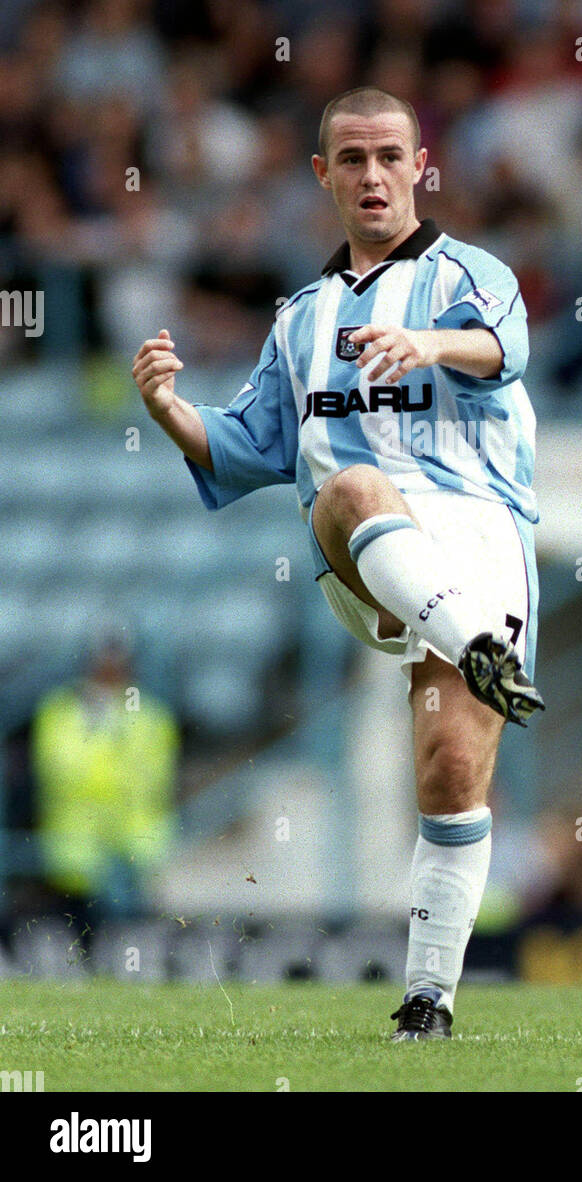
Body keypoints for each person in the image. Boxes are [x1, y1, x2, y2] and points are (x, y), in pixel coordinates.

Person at [132, 86, 543, 1041]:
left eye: (389, 156)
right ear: (323, 175)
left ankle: (426, 1002)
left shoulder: (470, 275)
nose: (372, 175)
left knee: (449, 768)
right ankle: (476, 644)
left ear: (420, 167)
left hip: (478, 537)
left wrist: (423, 342)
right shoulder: (299, 320)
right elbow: (240, 448)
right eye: (351, 159)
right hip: (367, 547)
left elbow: (502, 348)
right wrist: (167, 413)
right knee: (346, 488)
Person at [31, 633, 179, 931]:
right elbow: (57, 770)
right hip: (77, 846)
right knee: (81, 929)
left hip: (135, 844)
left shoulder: (151, 715)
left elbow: (153, 776)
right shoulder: (59, 711)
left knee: (129, 927)